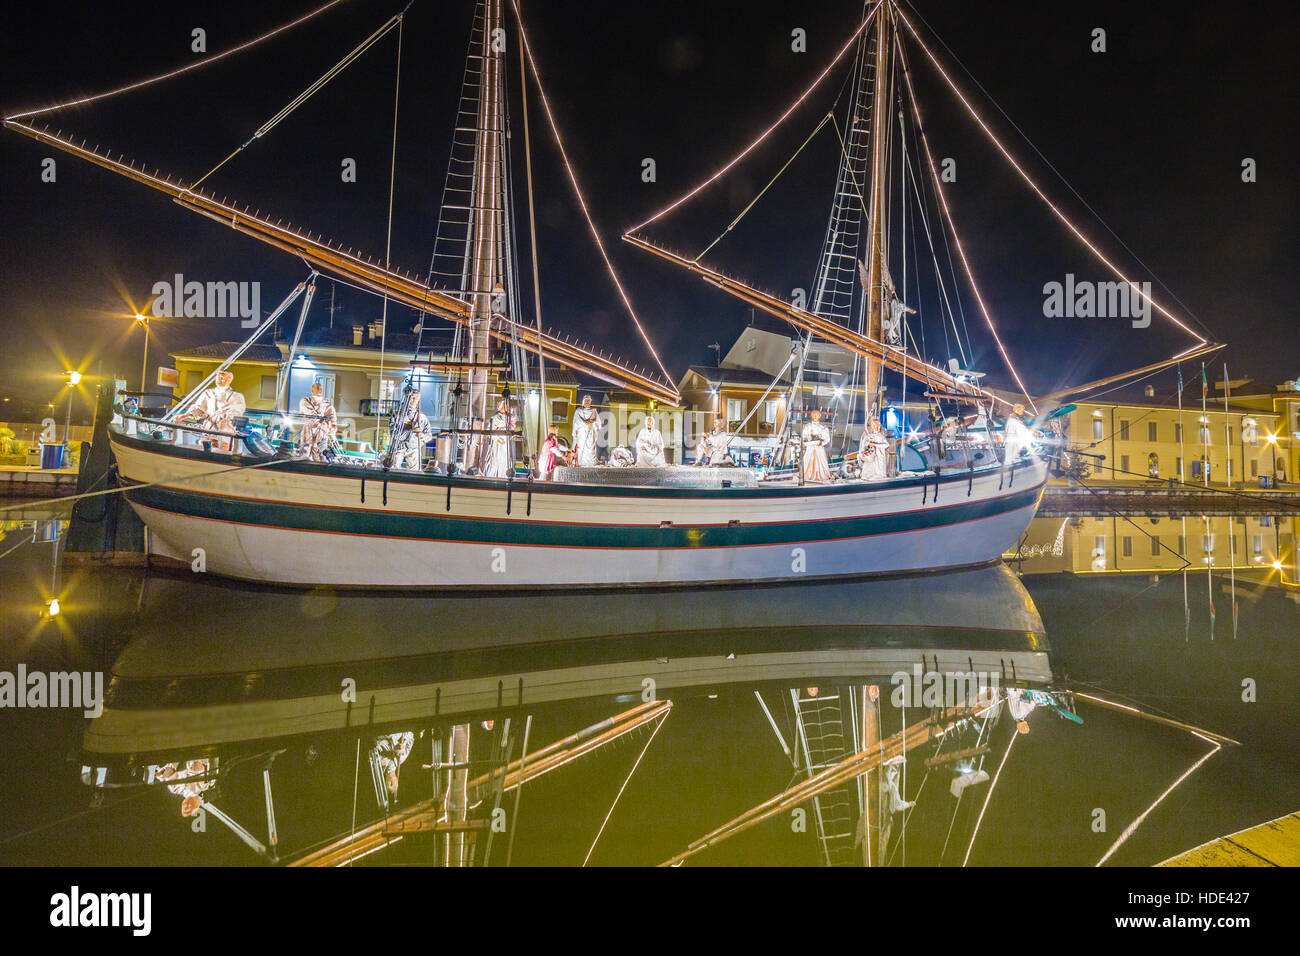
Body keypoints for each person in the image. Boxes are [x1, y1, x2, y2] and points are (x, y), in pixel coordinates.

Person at [186, 369, 246, 450]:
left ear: (230, 380)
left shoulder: (237, 396)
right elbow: (198, 408)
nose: (219, 380)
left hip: (226, 438)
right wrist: (188, 414)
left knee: (223, 454)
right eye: (218, 377)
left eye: (223, 377)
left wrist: (227, 419)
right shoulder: (208, 393)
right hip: (208, 435)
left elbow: (237, 412)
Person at [390, 389, 433, 470]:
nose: (413, 401)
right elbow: (394, 434)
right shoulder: (397, 415)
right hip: (399, 447)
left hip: (414, 447)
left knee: (414, 471)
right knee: (393, 468)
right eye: (411, 398)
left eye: (416, 398)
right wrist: (411, 431)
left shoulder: (422, 418)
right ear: (407, 398)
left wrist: (422, 436)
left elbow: (429, 435)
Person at [297, 382, 337, 462]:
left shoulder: (328, 405)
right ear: (312, 390)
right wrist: (323, 420)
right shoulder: (305, 401)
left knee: (322, 457)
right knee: (304, 456)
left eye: (320, 388)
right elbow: (311, 415)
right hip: (308, 432)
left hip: (322, 433)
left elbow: (333, 419)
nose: (319, 390)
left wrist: (333, 435)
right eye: (317, 388)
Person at [481, 399, 517, 479]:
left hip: (505, 444)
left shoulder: (509, 418)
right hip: (497, 444)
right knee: (494, 460)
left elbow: (511, 430)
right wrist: (498, 437)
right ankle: (491, 476)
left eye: (506, 405)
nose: (506, 407)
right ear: (500, 407)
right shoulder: (494, 418)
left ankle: (503, 476)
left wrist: (503, 430)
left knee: (504, 461)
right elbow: (490, 431)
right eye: (504, 406)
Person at [799, 409, 832, 483]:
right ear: (811, 415)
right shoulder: (807, 426)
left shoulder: (823, 427)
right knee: (807, 460)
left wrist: (822, 443)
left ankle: (821, 475)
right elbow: (804, 437)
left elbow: (827, 439)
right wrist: (806, 442)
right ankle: (807, 475)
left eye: (817, 414)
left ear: (820, 416)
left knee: (821, 461)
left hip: (819, 447)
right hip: (810, 447)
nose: (815, 416)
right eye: (814, 414)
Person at [571, 395, 600, 467]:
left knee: (591, 448)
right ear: (583, 402)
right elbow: (576, 421)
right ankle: (580, 462)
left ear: (590, 402)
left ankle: (591, 463)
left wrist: (592, 422)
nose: (587, 402)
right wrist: (585, 423)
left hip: (591, 433)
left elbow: (598, 422)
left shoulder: (594, 411)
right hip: (582, 433)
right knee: (581, 447)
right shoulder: (578, 411)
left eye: (588, 400)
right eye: (585, 400)